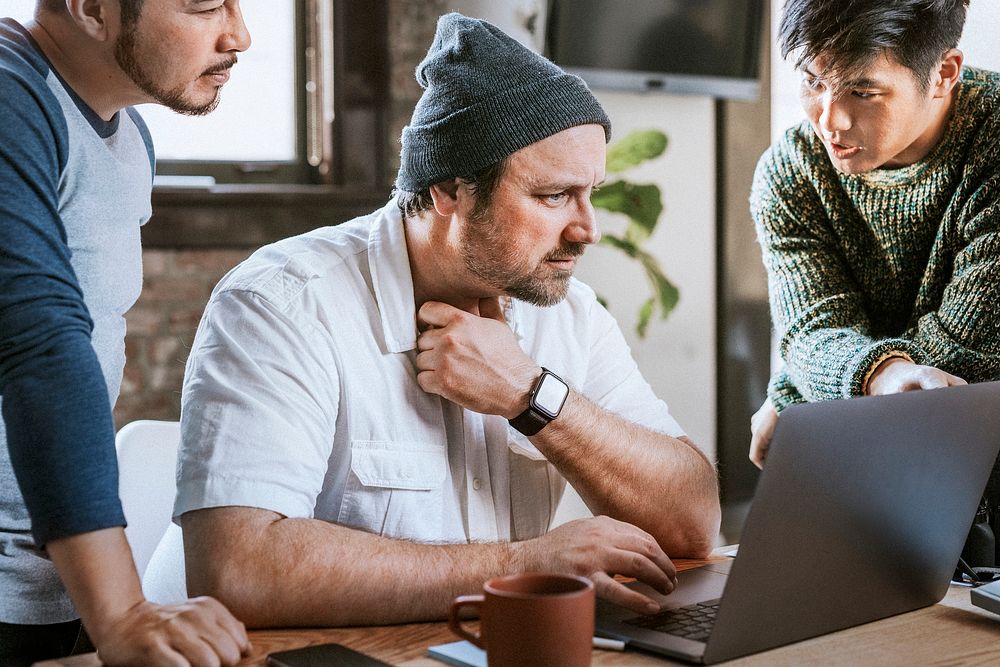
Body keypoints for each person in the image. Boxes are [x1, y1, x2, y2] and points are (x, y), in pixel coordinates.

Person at [156, 12, 721, 628]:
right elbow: (237, 570)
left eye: (591, 193)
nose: (588, 230)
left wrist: (532, 395)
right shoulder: (281, 305)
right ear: (449, 190)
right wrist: (521, 566)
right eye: (553, 196)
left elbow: (692, 524)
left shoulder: (570, 314)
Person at [0, 1, 253, 665]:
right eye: (206, 6)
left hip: (53, 590)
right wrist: (121, 611)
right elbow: (40, 343)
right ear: (92, 9)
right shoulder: (9, 96)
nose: (240, 36)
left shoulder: (130, 134)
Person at [748, 0, 999, 491]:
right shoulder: (792, 172)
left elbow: (961, 359)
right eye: (813, 81)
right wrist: (873, 374)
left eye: (863, 92)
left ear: (944, 73)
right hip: (890, 473)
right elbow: (814, 328)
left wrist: (797, 390)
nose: (831, 120)